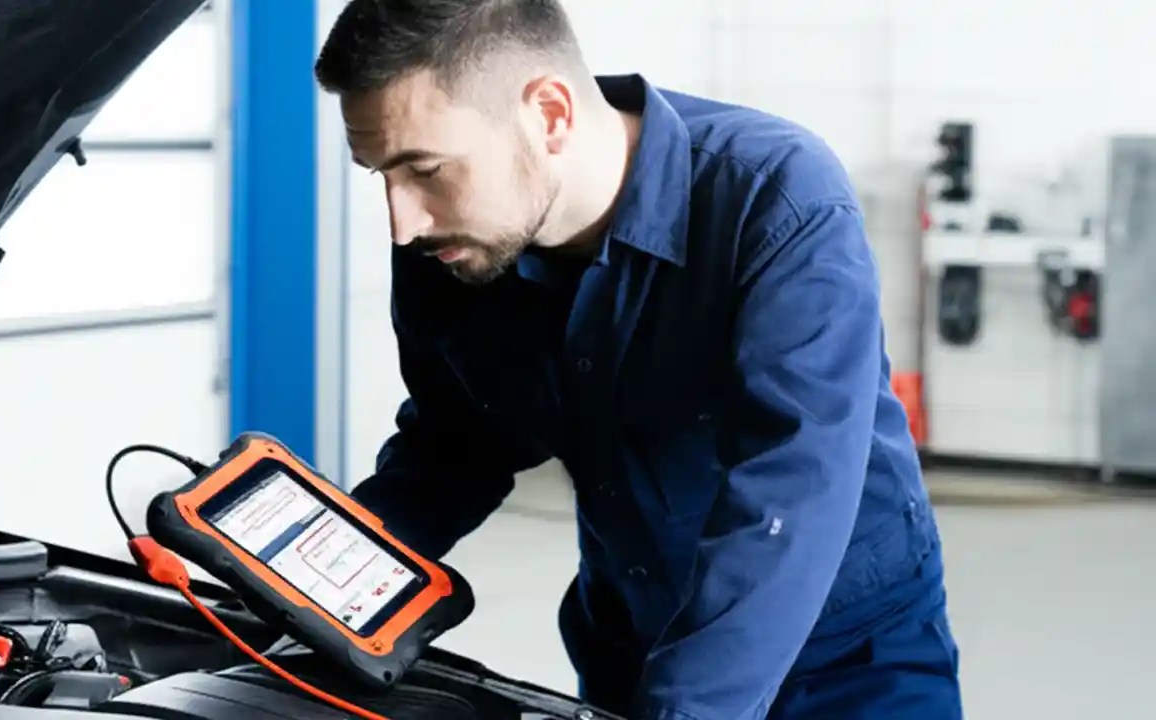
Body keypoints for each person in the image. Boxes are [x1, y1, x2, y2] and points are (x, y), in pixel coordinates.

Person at [313, 1, 962, 718]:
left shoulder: (775, 198)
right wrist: (313, 583)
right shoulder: (456, 245)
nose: (404, 223)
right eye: (381, 177)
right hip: (634, 642)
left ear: (549, 113)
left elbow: (792, 488)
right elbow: (455, 442)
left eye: (426, 170)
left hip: (846, 655)